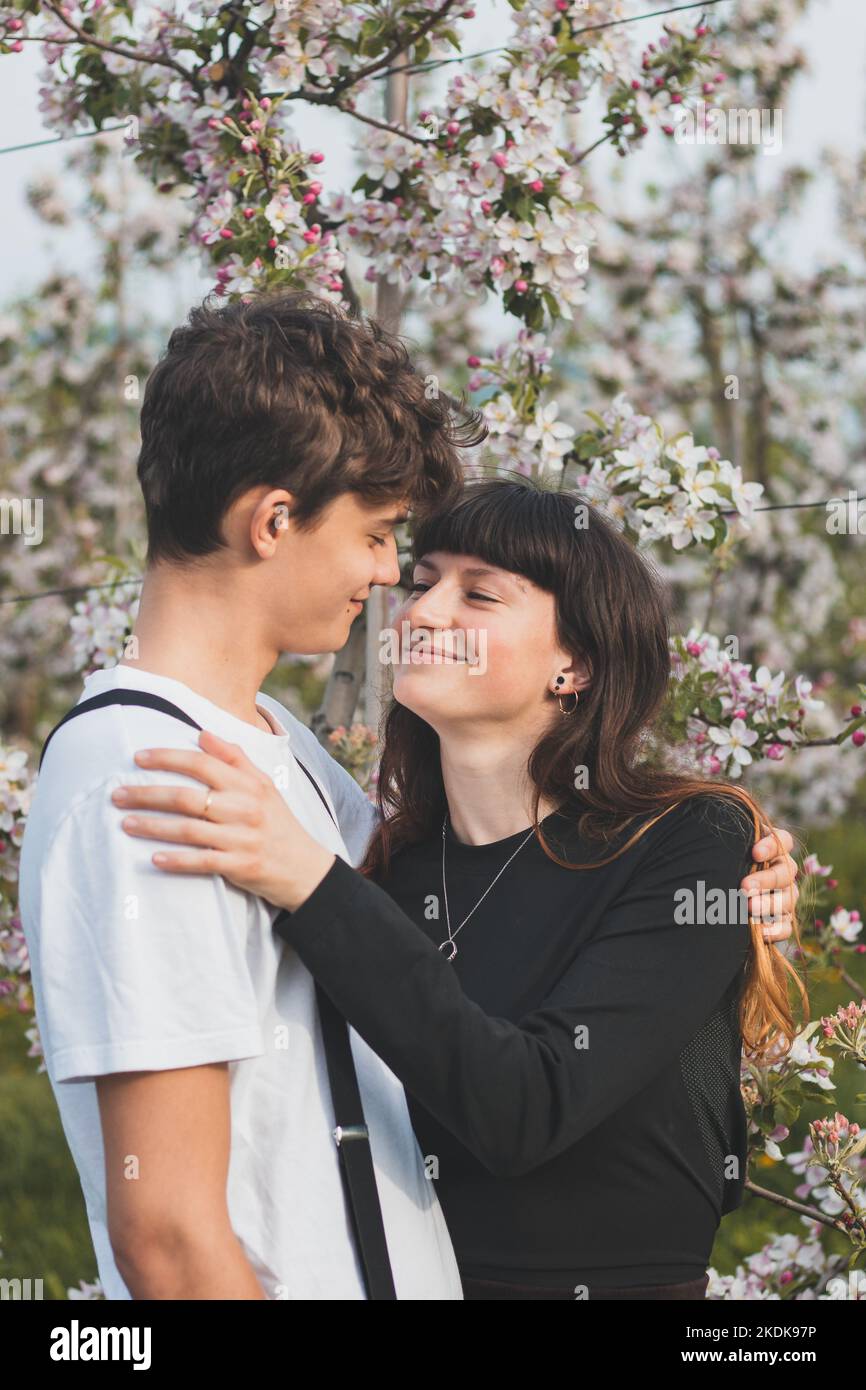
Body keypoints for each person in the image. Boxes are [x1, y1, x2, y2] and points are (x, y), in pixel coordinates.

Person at [107, 472, 804, 1301]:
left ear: (574, 662)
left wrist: (310, 885)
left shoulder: (688, 843)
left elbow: (530, 1108)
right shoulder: (377, 860)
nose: (424, 614)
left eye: (481, 595)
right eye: (424, 581)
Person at [18, 289, 487, 1299]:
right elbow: (171, 1236)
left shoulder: (277, 745)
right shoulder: (143, 782)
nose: (384, 571)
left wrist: (697, 851)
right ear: (273, 520)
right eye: (374, 534)